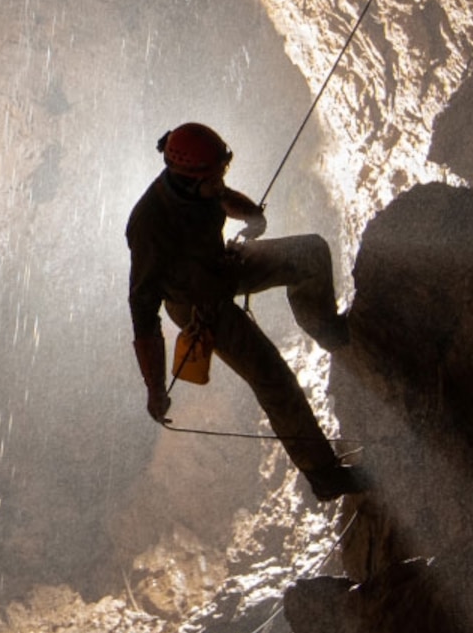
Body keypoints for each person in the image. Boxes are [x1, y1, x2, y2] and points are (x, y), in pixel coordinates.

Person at [125, 121, 371, 502]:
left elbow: (221, 196)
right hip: (197, 305)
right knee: (273, 378)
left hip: (222, 266)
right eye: (215, 173)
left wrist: (251, 215)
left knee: (310, 252)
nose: (221, 178)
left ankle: (325, 329)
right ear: (190, 176)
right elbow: (143, 312)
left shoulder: (198, 182)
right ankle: (324, 475)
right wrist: (155, 388)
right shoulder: (149, 225)